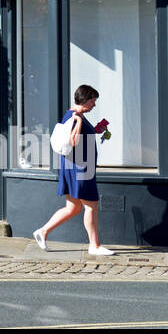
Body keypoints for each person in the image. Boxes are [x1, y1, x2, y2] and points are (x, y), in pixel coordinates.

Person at [33, 83, 114, 256]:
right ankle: (94, 246)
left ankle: (43, 231)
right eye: (93, 101)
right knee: (91, 206)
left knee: (73, 208)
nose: (94, 105)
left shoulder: (78, 115)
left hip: (76, 167)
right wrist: (78, 122)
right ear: (85, 100)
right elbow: (73, 141)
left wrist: (97, 129)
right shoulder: (74, 116)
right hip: (80, 169)